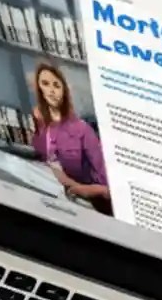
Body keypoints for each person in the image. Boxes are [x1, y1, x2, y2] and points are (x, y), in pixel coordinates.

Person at [31, 61, 111, 215]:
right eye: (45, 84)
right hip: (58, 198)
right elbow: (47, 161)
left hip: (96, 206)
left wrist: (83, 189)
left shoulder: (82, 130)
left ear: (65, 90)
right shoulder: (40, 124)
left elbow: (107, 189)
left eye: (56, 85)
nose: (51, 91)